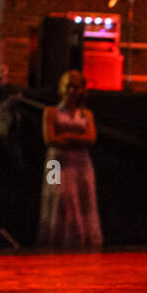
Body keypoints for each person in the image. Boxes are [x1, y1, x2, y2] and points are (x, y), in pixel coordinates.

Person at [37, 70, 103, 248]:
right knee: (56, 197)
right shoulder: (50, 112)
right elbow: (50, 139)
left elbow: (91, 138)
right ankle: (54, 240)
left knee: (82, 197)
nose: (72, 91)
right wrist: (76, 139)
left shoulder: (86, 114)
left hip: (80, 162)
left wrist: (65, 137)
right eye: (69, 86)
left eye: (76, 87)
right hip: (54, 162)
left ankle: (79, 241)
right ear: (62, 88)